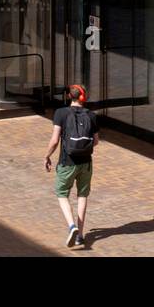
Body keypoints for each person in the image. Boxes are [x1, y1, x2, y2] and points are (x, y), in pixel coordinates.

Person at [45, 84, 98, 248]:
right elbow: (95, 141)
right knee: (82, 195)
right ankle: (80, 236)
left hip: (67, 162)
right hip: (86, 163)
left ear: (69, 96)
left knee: (62, 194)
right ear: (84, 96)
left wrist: (47, 155)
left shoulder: (61, 113)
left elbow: (55, 140)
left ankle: (71, 226)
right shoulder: (91, 115)